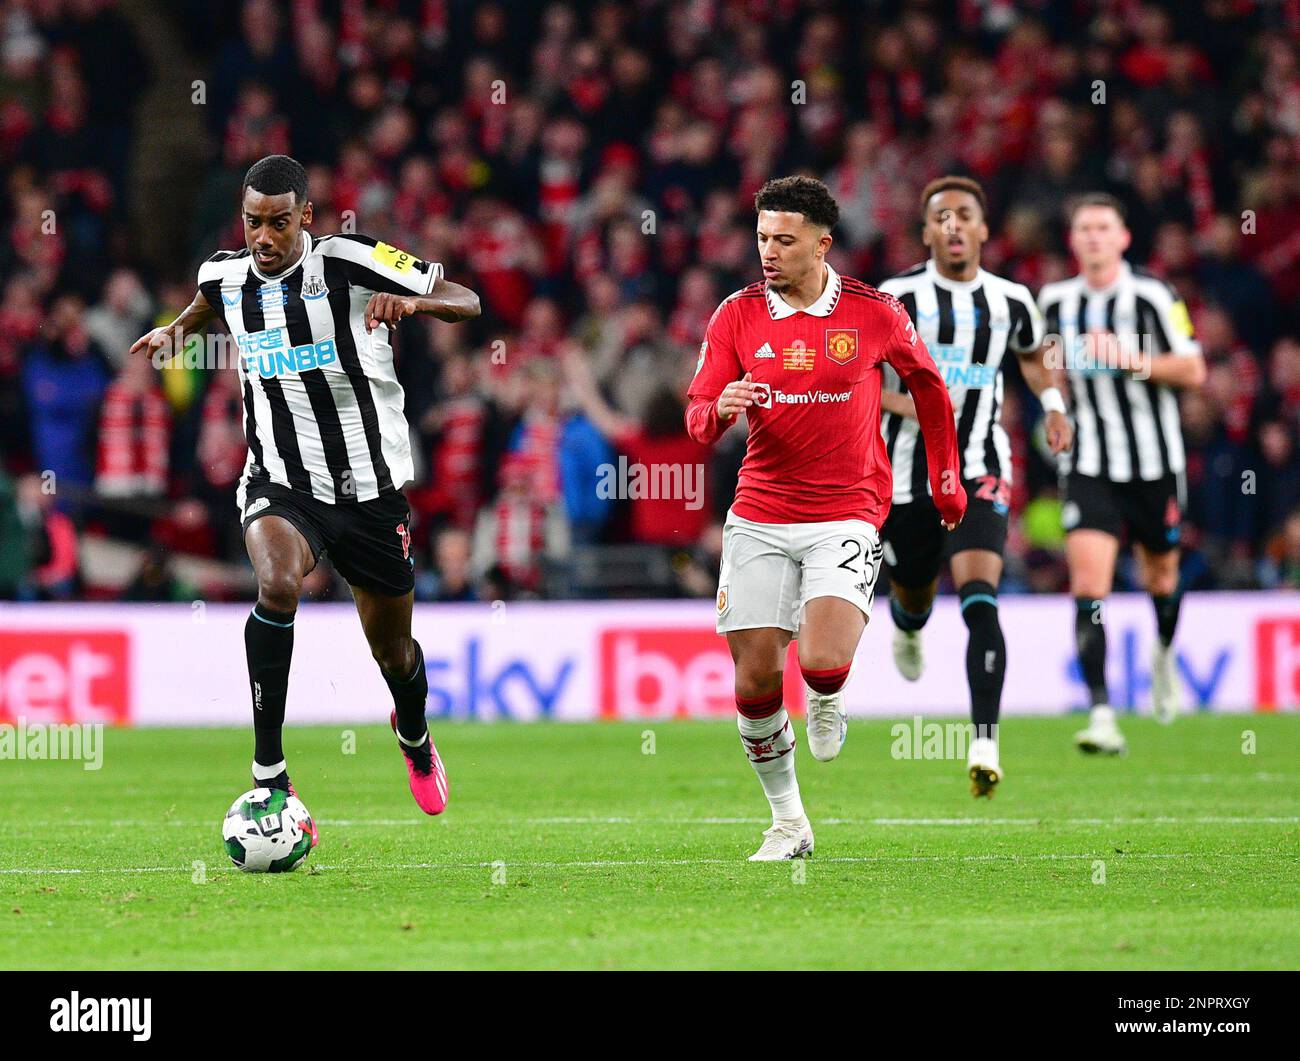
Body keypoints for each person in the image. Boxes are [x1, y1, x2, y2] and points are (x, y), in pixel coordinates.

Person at [129, 154, 480, 819]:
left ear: (306, 218)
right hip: (282, 482)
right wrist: (177, 330)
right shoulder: (226, 274)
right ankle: (270, 772)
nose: (264, 237)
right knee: (276, 583)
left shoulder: (348, 259)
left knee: (395, 652)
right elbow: (209, 300)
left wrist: (414, 301)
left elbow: (468, 299)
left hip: (371, 491)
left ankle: (413, 733)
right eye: (253, 222)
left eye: (279, 223)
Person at [685, 176, 966, 861]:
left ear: (821, 242)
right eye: (761, 239)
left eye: (783, 239)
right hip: (760, 510)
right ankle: (788, 822)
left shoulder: (875, 312)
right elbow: (695, 422)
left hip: (848, 507)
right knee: (753, 679)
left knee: (822, 657)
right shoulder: (736, 315)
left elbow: (930, 388)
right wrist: (723, 405)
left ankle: (827, 695)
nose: (768, 252)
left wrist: (945, 478)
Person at [878, 176, 1073, 797]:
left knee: (980, 595)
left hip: (980, 464)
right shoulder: (895, 297)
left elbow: (1032, 353)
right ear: (928, 231)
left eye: (966, 215)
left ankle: (984, 743)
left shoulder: (1012, 299)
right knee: (912, 592)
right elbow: (851, 373)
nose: (955, 225)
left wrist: (1051, 403)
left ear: (985, 230)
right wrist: (908, 406)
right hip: (906, 473)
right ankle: (908, 625)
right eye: (943, 217)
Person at [1038, 193, 1205, 754]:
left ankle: (1161, 654)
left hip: (1155, 464)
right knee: (1089, 586)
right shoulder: (1056, 301)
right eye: (1083, 228)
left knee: (1161, 577)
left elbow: (1195, 368)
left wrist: (1131, 359)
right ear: (1073, 239)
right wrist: (1054, 405)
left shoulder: (1154, 296)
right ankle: (1103, 714)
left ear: (1123, 238)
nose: (1093, 237)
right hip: (1089, 465)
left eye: (1103, 228)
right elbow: (1042, 366)